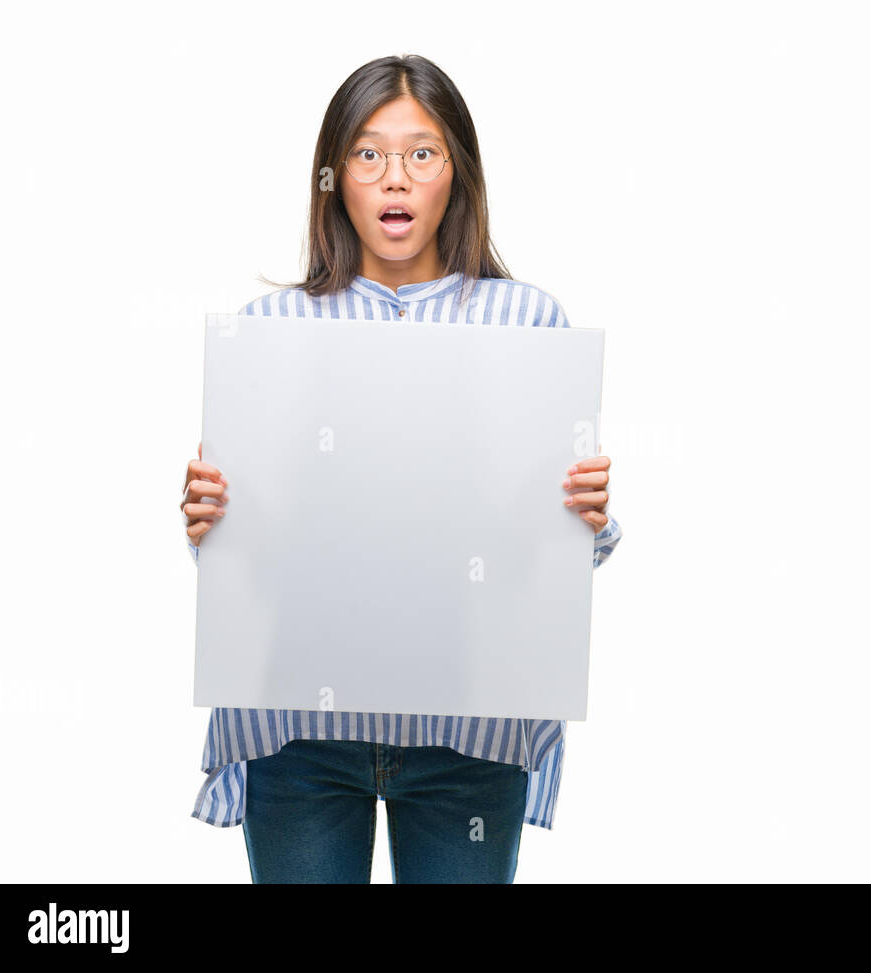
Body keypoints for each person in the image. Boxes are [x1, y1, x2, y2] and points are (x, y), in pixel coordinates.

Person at [179, 54, 622, 883]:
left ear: (457, 172)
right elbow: (248, 559)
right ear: (334, 175)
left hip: (467, 738)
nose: (396, 178)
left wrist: (588, 519)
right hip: (299, 736)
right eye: (369, 153)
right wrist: (211, 517)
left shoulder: (526, 322)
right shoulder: (270, 327)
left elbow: (554, 559)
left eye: (422, 154)